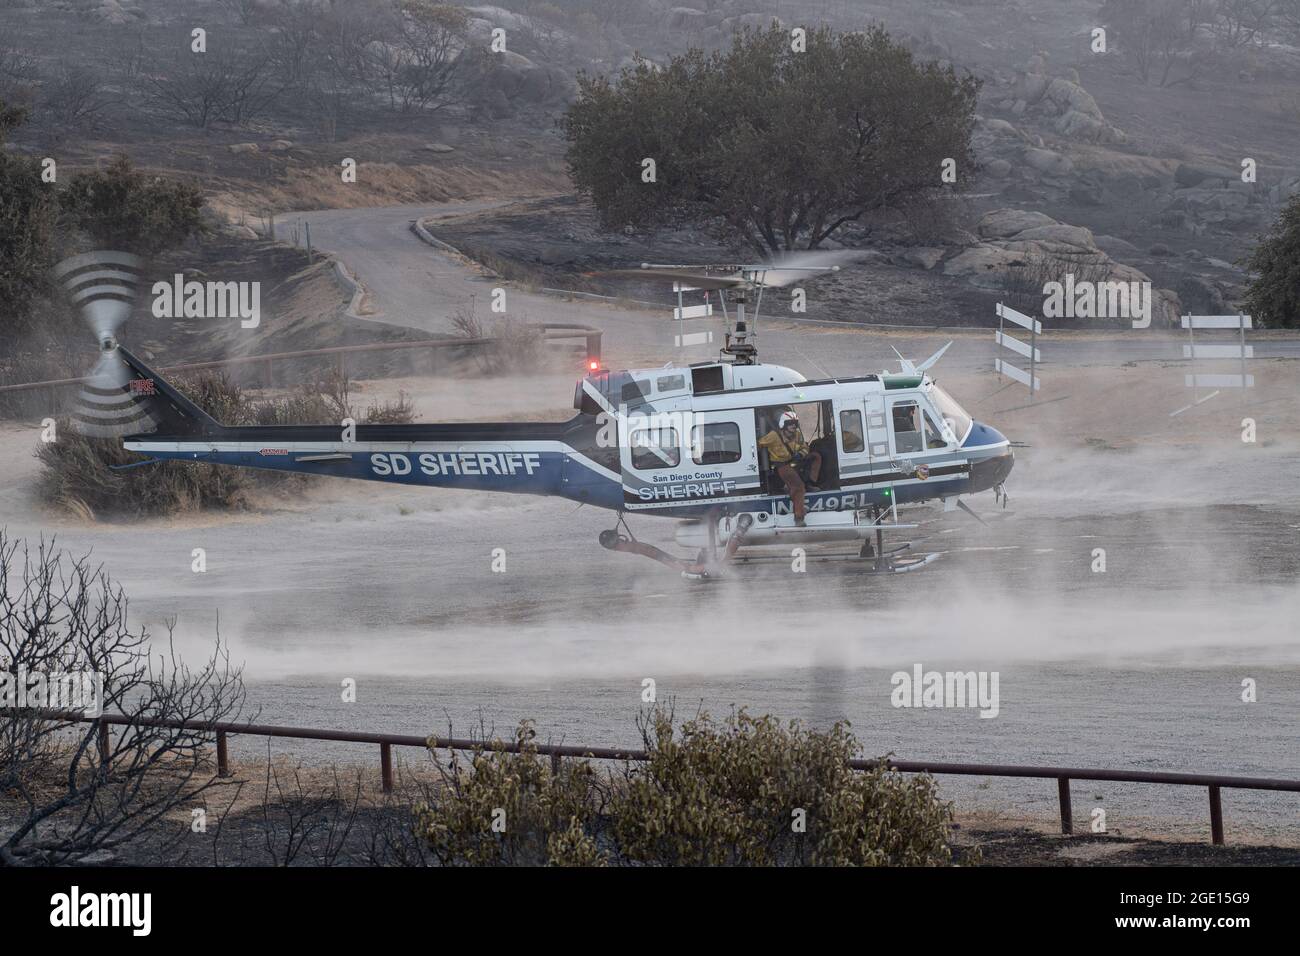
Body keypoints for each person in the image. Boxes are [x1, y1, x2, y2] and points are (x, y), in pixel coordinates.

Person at [758, 411, 822, 525]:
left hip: (795, 462)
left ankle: (810, 483)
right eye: (790, 423)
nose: (793, 426)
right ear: (783, 424)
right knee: (799, 488)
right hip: (781, 466)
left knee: (816, 457)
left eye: (795, 423)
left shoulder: (797, 434)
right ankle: (799, 517)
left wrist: (801, 454)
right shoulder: (773, 435)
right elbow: (759, 443)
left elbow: (805, 448)